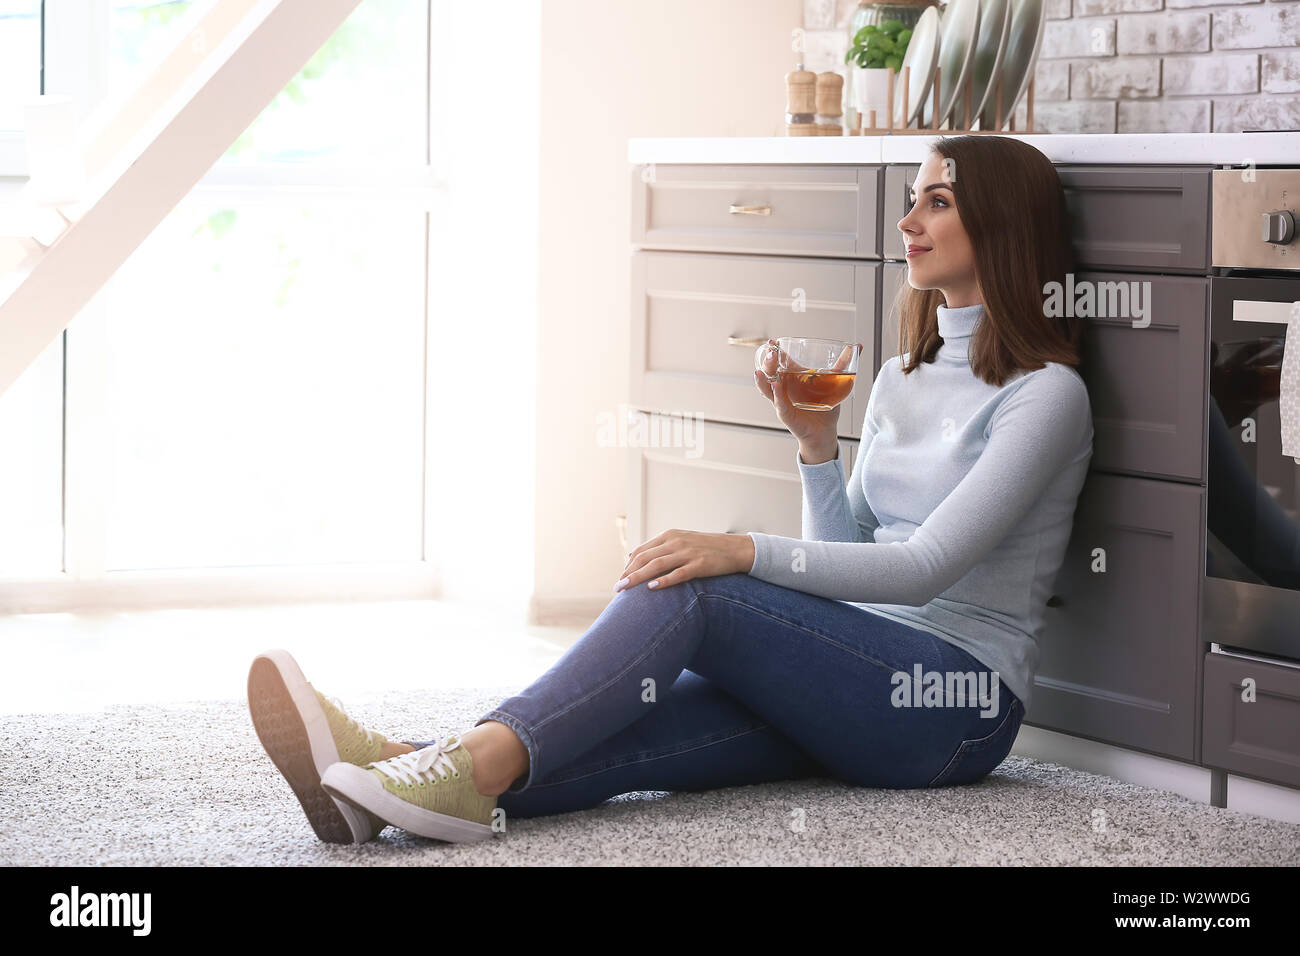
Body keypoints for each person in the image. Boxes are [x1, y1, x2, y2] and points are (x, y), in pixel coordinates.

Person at [248, 134, 1094, 845]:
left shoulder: (1046, 394)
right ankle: (389, 781)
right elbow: (850, 551)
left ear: (1003, 220)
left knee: (701, 590)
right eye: (912, 198)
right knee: (641, 723)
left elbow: (923, 567)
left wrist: (742, 552)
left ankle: (434, 764)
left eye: (937, 201)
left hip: (954, 710)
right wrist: (813, 448)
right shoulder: (907, 376)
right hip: (855, 678)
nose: (908, 220)